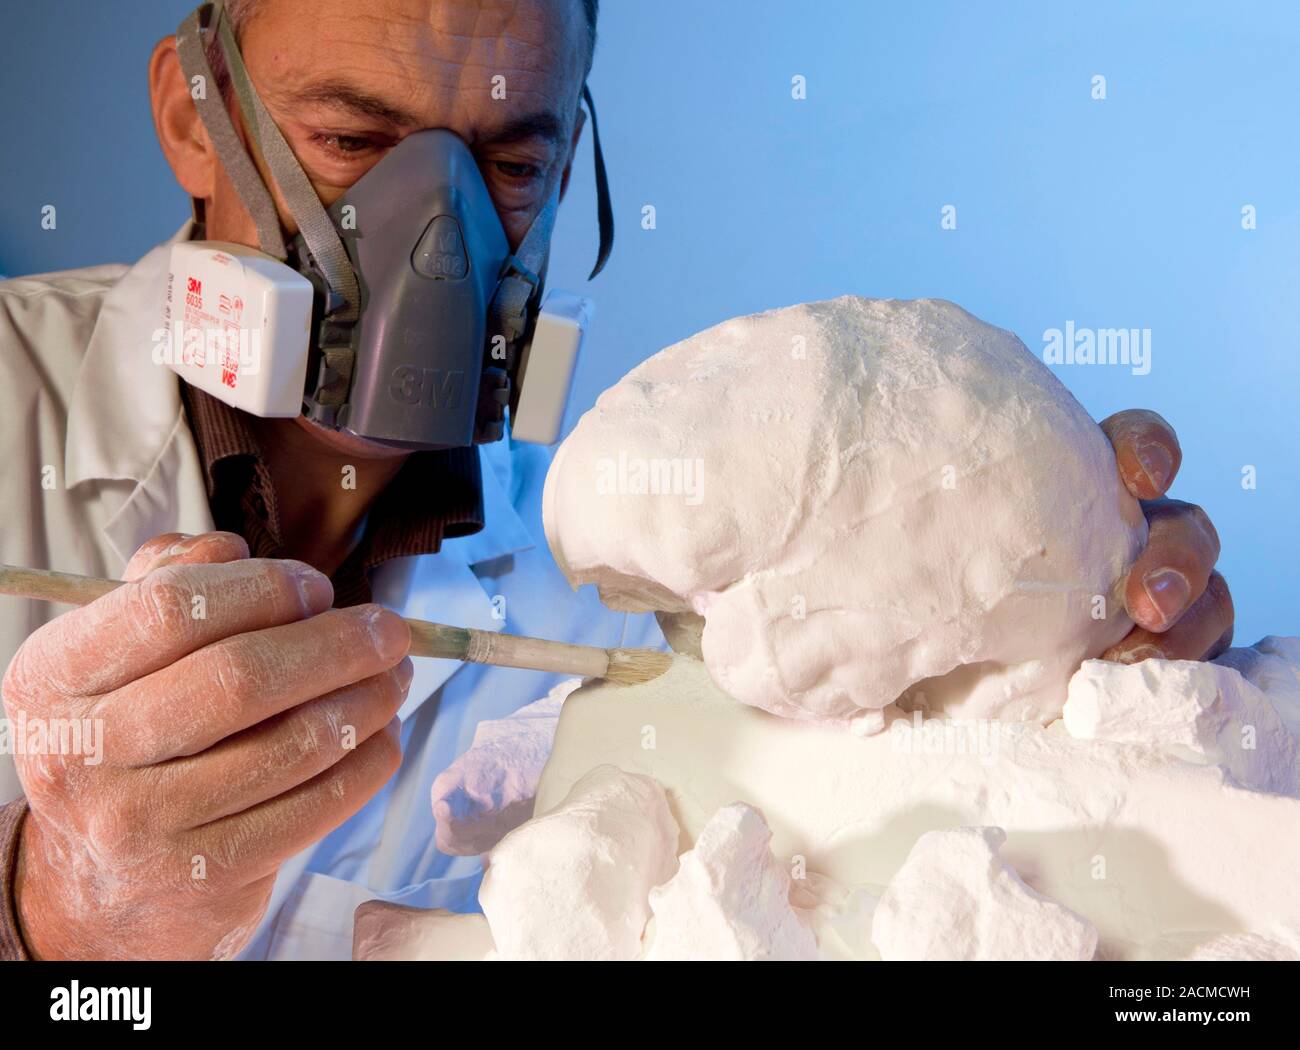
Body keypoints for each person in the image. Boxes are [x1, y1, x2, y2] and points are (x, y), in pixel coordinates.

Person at [0, 0, 1232, 961]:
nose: (439, 241)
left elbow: (875, 859)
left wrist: (1065, 616)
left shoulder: (637, 563)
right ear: (185, 114)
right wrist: (58, 916)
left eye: (511, 166)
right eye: (348, 143)